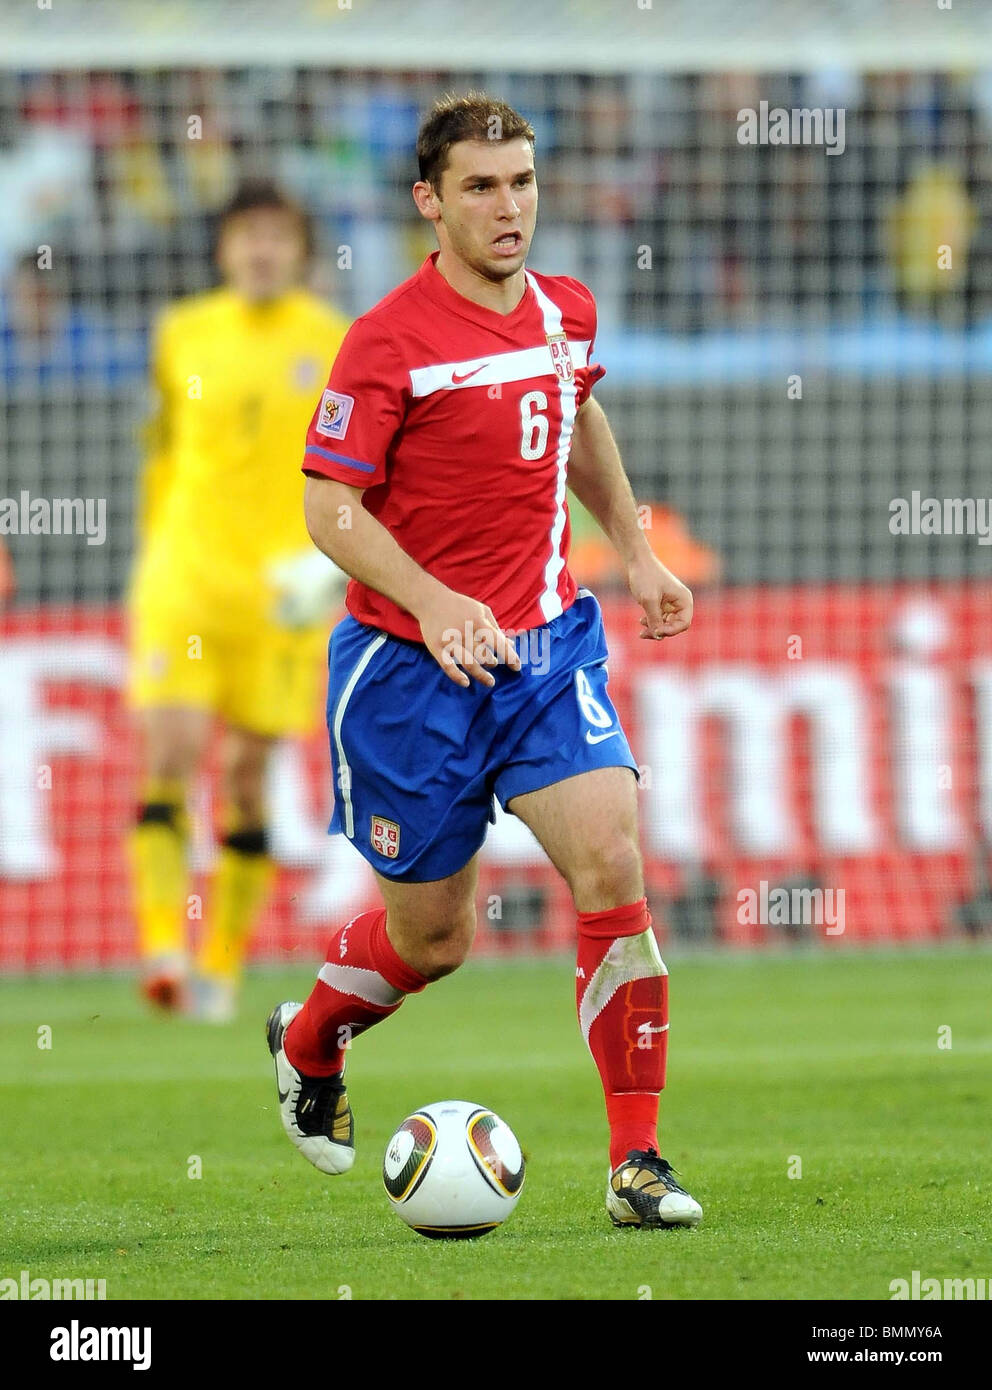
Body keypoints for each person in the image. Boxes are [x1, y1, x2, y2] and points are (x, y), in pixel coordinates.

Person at [266, 95, 702, 1229]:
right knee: (436, 939)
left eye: (520, 182)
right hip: (410, 673)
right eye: (479, 187)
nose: (508, 208)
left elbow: (579, 422)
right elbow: (327, 504)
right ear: (430, 201)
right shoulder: (387, 340)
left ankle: (636, 1163)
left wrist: (636, 552)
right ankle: (310, 1039)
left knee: (610, 863)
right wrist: (433, 598)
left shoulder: (566, 311)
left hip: (545, 649)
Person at [128, 181, 350, 1021]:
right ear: (222, 249)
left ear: (299, 252)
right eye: (245, 235)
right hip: (185, 580)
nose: (260, 250)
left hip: (282, 598)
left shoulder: (335, 343)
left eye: (277, 236)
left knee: (248, 780)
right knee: (169, 757)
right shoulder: (180, 332)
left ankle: (219, 967)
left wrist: (329, 569)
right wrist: (156, 555)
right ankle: (162, 950)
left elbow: (357, 469)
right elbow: (159, 451)